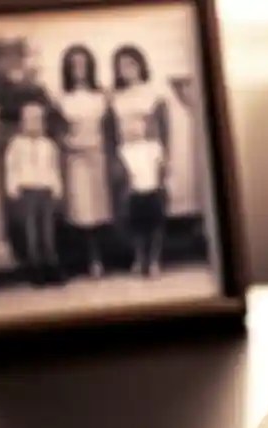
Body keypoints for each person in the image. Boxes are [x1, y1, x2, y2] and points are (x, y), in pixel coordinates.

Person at [109, 45, 169, 278]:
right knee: (133, 210)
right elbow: (112, 133)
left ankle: (154, 260)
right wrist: (116, 157)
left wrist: (166, 156)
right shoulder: (116, 98)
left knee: (155, 207)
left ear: (140, 65)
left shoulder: (154, 93)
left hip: (150, 151)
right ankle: (138, 257)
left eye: (131, 64)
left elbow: (164, 127)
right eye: (122, 66)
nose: (127, 70)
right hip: (128, 153)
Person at [56, 44, 113, 278]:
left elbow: (111, 130)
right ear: (68, 69)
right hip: (76, 158)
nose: (79, 69)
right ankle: (90, 260)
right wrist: (68, 143)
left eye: (82, 64)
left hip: (99, 156)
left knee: (103, 206)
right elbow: (58, 132)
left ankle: (112, 256)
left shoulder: (102, 97)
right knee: (83, 210)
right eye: (74, 65)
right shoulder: (63, 100)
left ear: (90, 66)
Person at [4, 102, 64, 285]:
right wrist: (12, 187)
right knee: (32, 230)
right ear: (23, 122)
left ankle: (51, 268)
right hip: (27, 188)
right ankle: (35, 270)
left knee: (47, 230)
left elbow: (53, 167)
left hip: (44, 188)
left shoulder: (48, 144)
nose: (34, 123)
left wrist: (57, 187)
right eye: (29, 119)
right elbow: (11, 167)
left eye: (37, 119)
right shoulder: (16, 144)